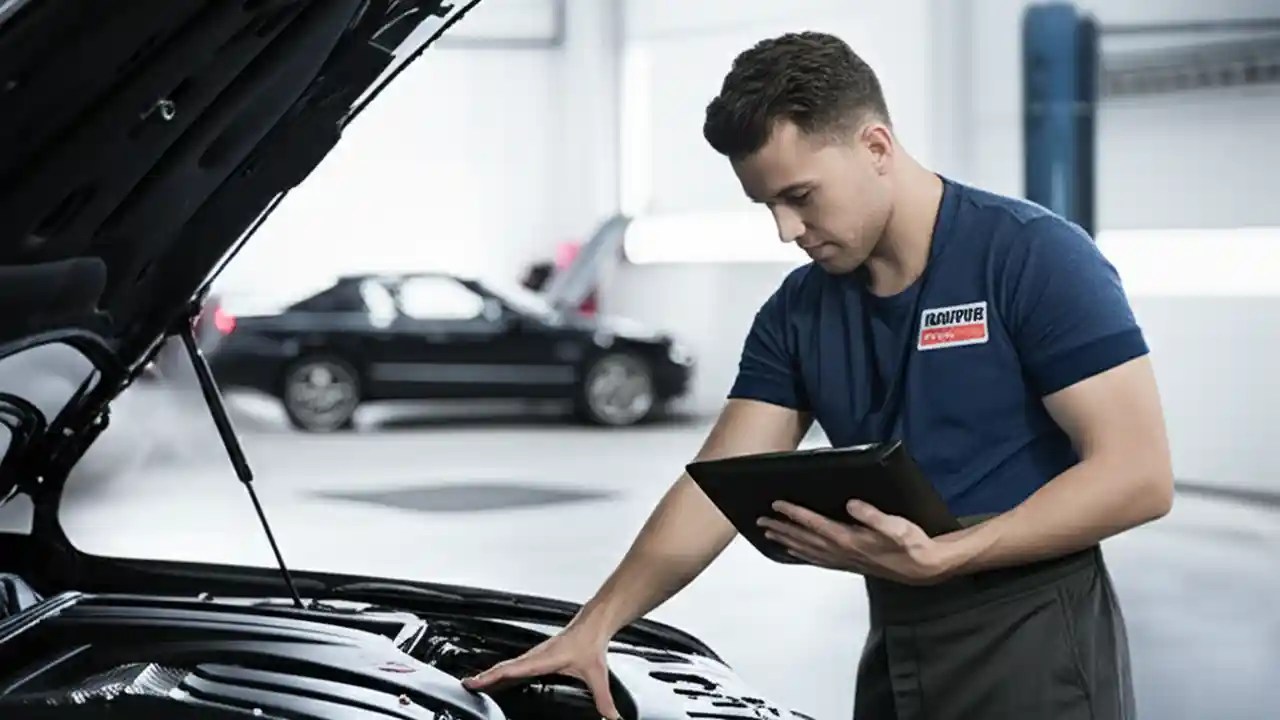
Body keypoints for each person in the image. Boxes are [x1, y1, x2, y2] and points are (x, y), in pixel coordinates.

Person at [462, 31, 1173, 720]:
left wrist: (950, 555)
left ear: (875, 147)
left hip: (1032, 632)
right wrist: (596, 625)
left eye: (800, 196)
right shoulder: (798, 311)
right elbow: (714, 486)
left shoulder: (1032, 257)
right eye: (767, 204)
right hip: (897, 631)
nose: (785, 229)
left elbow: (1138, 474)